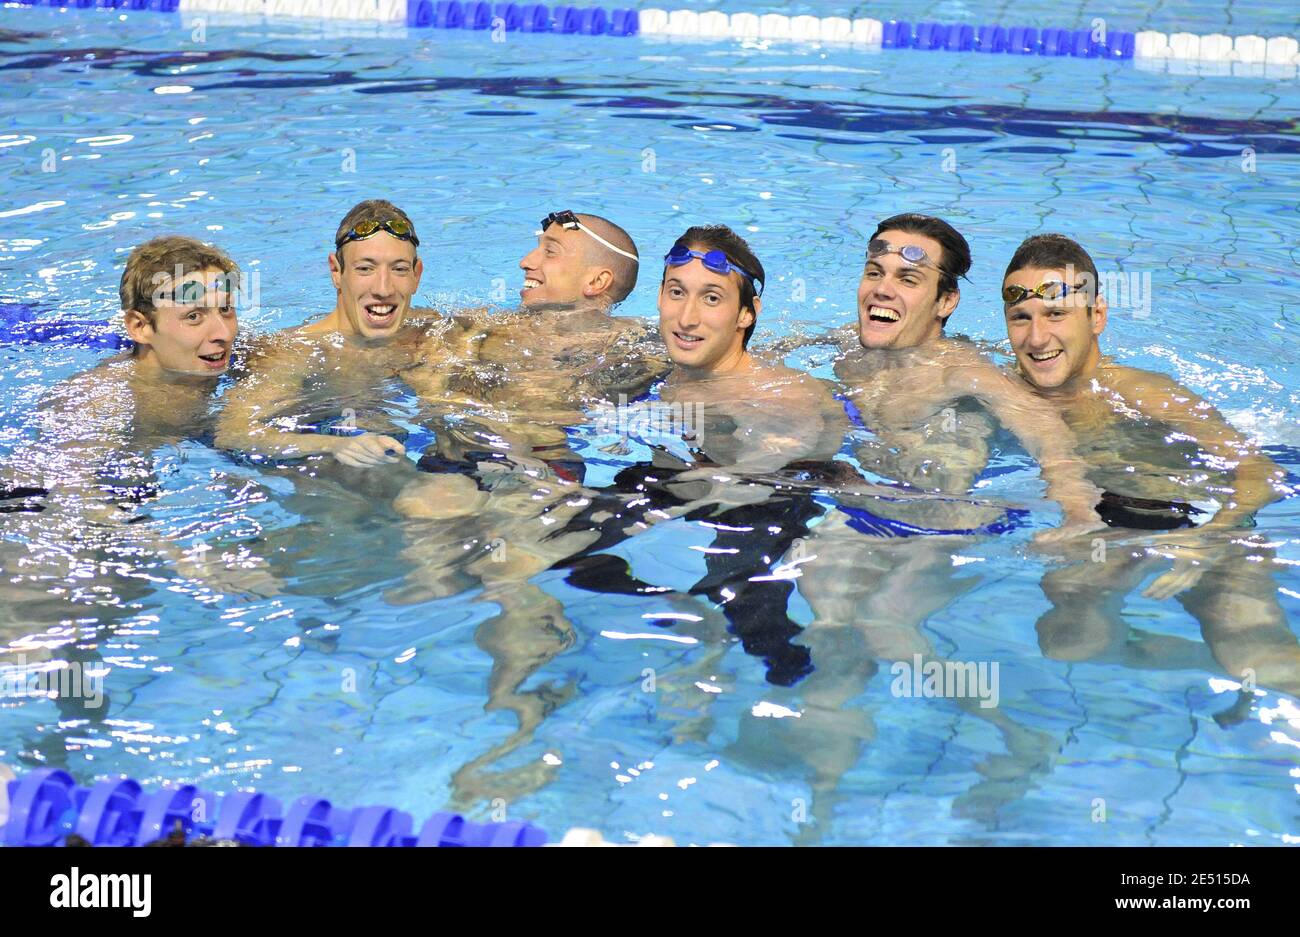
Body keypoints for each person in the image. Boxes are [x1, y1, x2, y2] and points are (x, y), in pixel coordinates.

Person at [999, 233, 1299, 696]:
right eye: (1022, 318)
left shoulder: (1140, 392)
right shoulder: (1004, 388)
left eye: (1056, 314)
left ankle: (1238, 666)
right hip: (1114, 527)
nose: (1037, 338)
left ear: (1096, 316)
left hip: (1196, 517)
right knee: (1068, 642)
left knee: (1257, 655)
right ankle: (1205, 666)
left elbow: (1261, 471)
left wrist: (1211, 537)